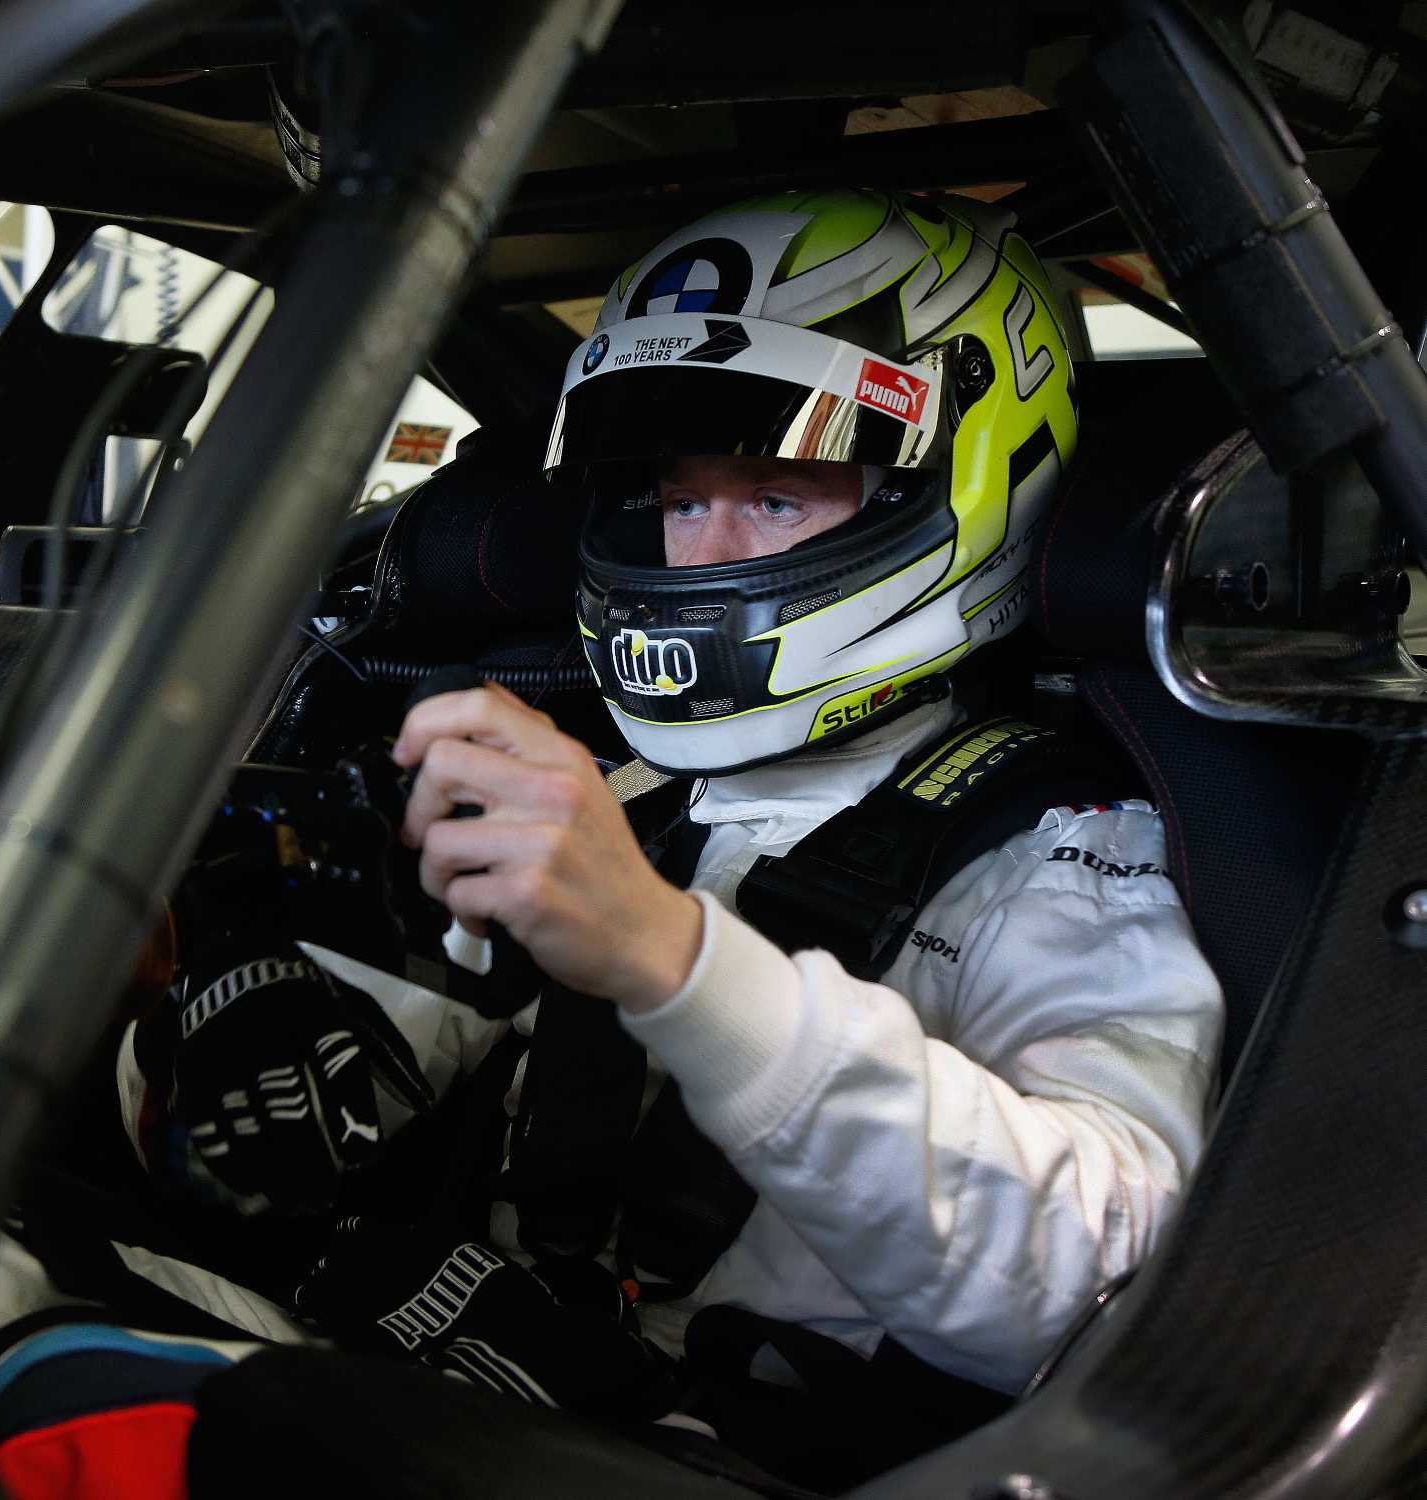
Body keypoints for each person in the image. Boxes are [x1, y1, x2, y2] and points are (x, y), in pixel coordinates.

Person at [93, 189, 1223, 1476]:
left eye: (780, 495)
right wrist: (218, 1019)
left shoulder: (1061, 857)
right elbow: (389, 1063)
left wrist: (677, 962)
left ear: (971, 487)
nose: (703, 558)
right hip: (486, 1380)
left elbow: (1082, 1286)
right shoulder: (628, 792)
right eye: (682, 502)